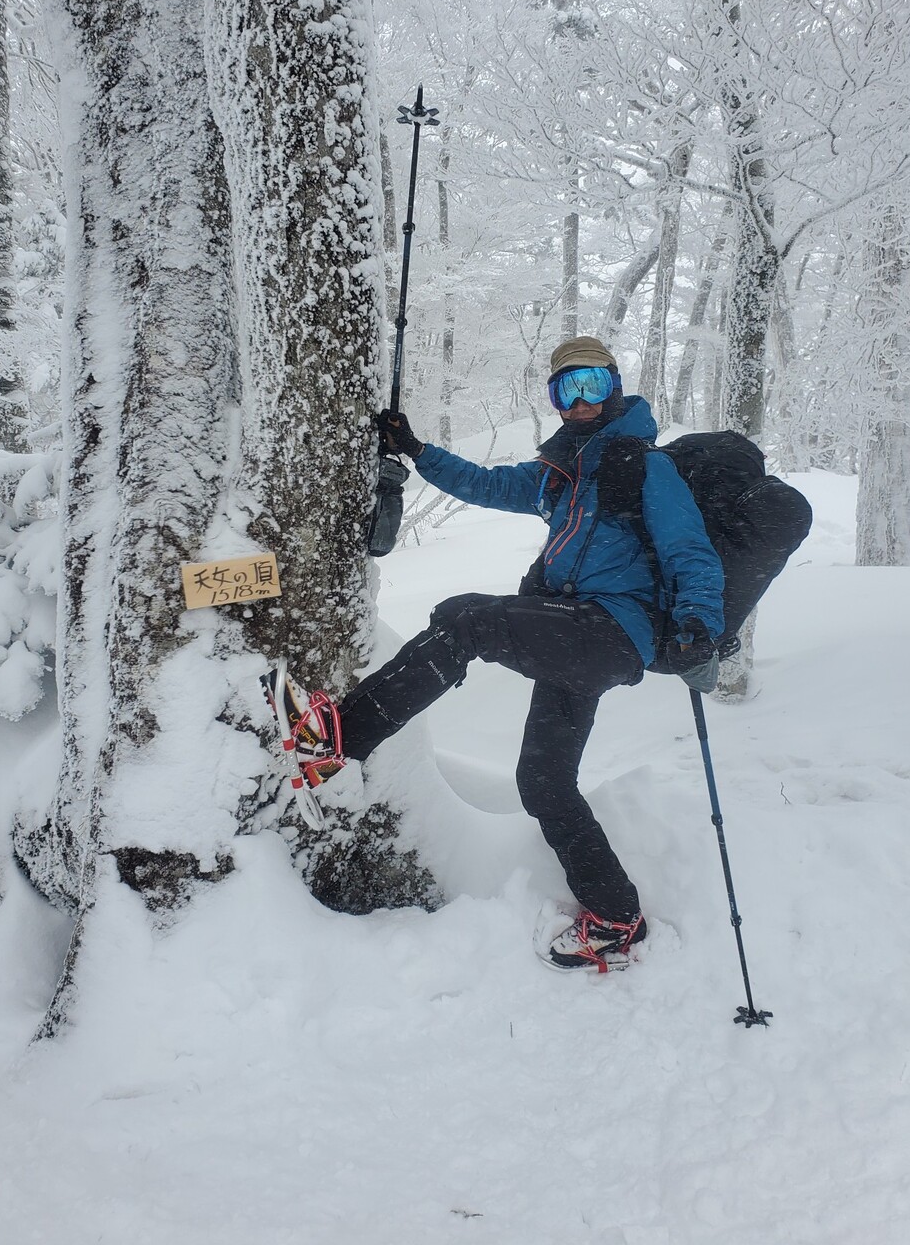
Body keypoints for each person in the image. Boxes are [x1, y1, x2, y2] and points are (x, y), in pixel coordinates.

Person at [290, 337, 724, 971]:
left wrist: (698, 623)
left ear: (615, 387)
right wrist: (416, 450)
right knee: (543, 781)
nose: (581, 401)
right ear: (554, 399)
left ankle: (339, 741)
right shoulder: (560, 474)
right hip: (571, 631)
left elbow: (690, 552)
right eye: (567, 389)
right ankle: (615, 916)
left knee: (467, 621)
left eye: (594, 385)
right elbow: (485, 484)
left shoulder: (645, 467)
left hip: (611, 631)